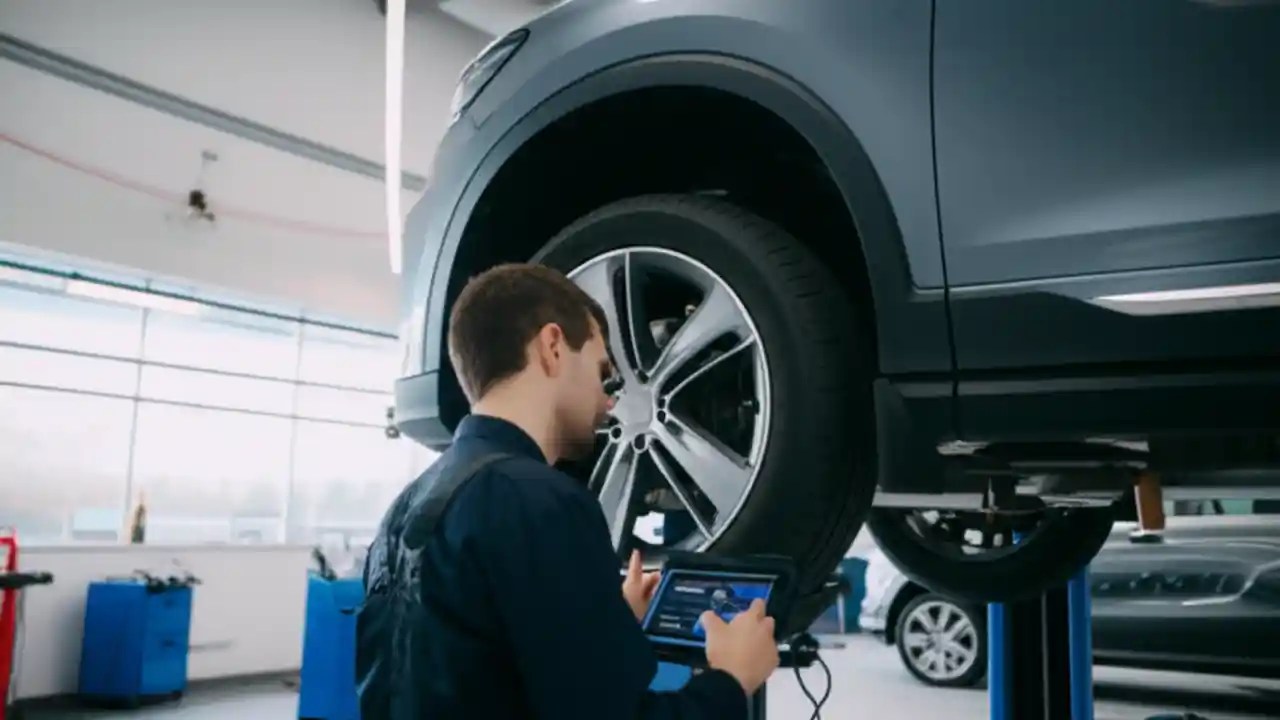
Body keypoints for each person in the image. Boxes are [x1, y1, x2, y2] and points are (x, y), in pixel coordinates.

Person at [355, 263, 780, 719]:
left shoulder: (401, 511)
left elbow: (476, 668)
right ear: (553, 347)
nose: (611, 400)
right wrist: (733, 680)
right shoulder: (542, 503)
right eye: (603, 372)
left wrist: (599, 623)